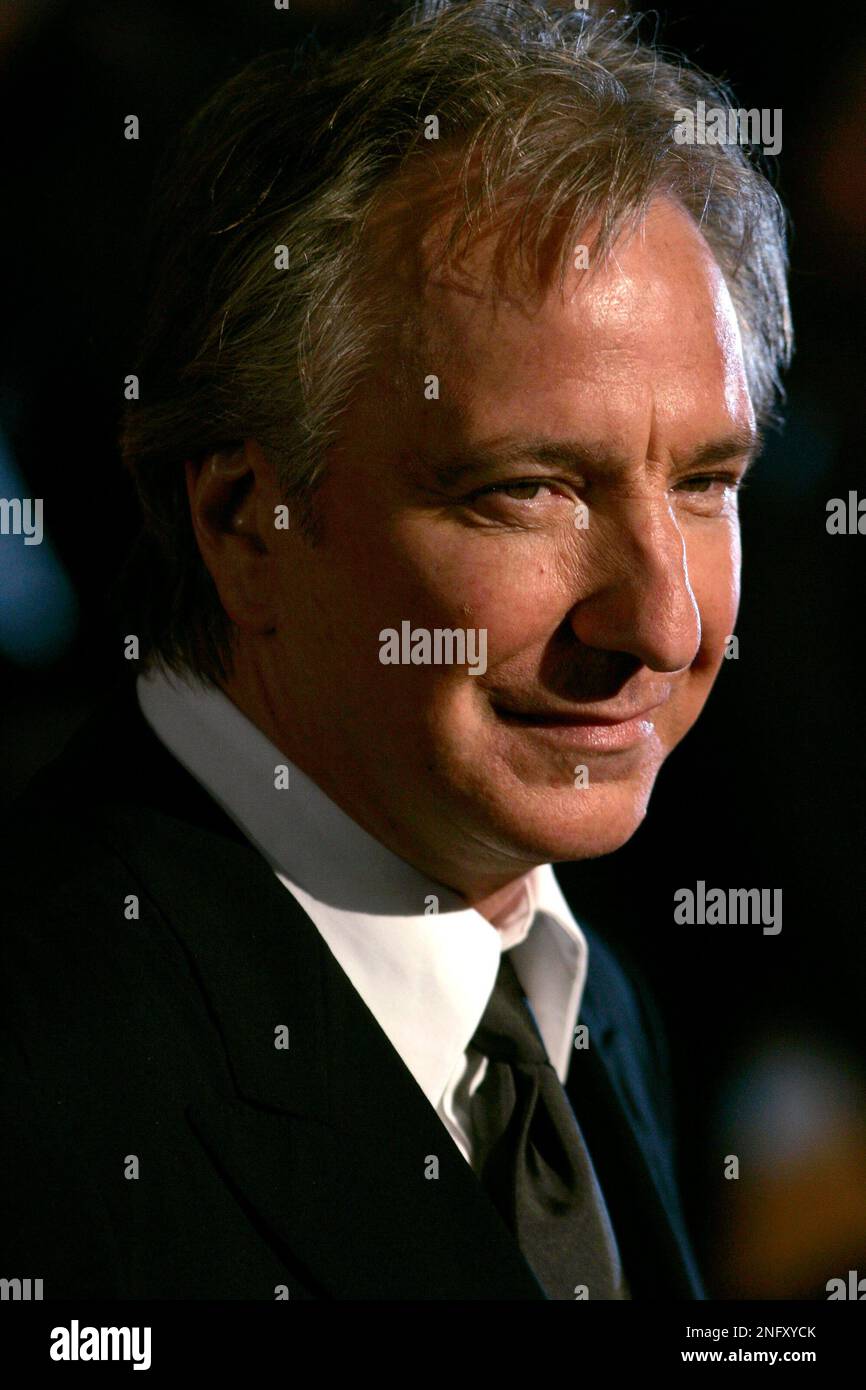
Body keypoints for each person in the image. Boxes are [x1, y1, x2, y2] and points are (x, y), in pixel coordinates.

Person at [0, 0, 790, 1300]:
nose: (662, 622)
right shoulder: (46, 1081)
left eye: (705, 483)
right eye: (529, 489)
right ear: (247, 520)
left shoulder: (578, 989)